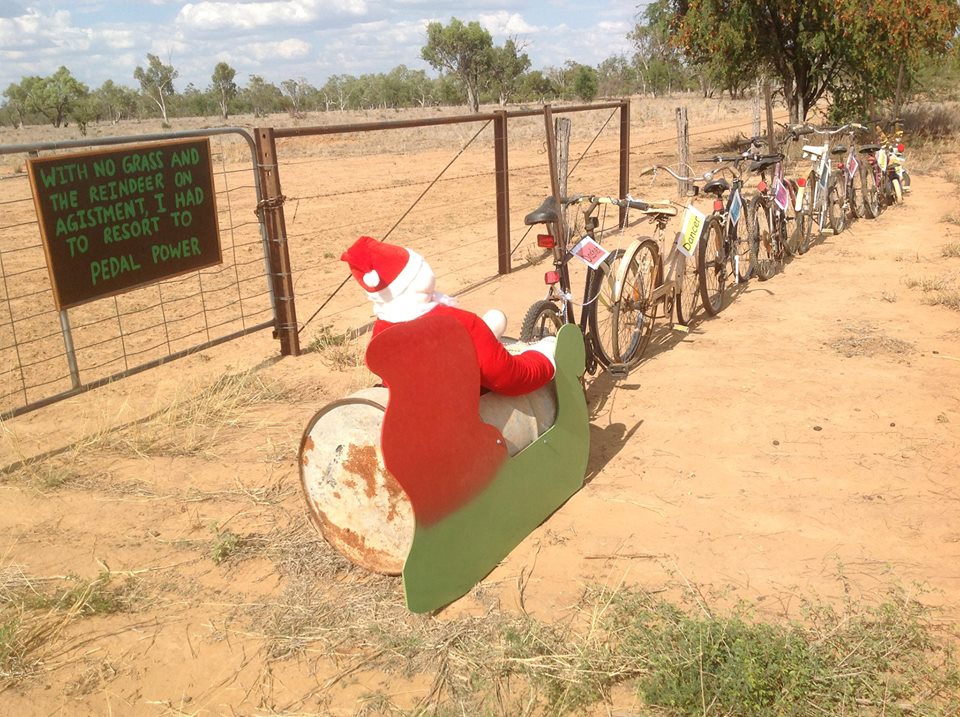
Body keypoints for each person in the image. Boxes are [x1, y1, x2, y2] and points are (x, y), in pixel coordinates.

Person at [341, 236, 556, 396]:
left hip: (413, 410)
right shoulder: (459, 323)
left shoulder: (382, 331)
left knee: (493, 321)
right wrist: (544, 354)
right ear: (421, 278)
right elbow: (508, 377)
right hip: (457, 417)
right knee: (489, 333)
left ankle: (488, 335)